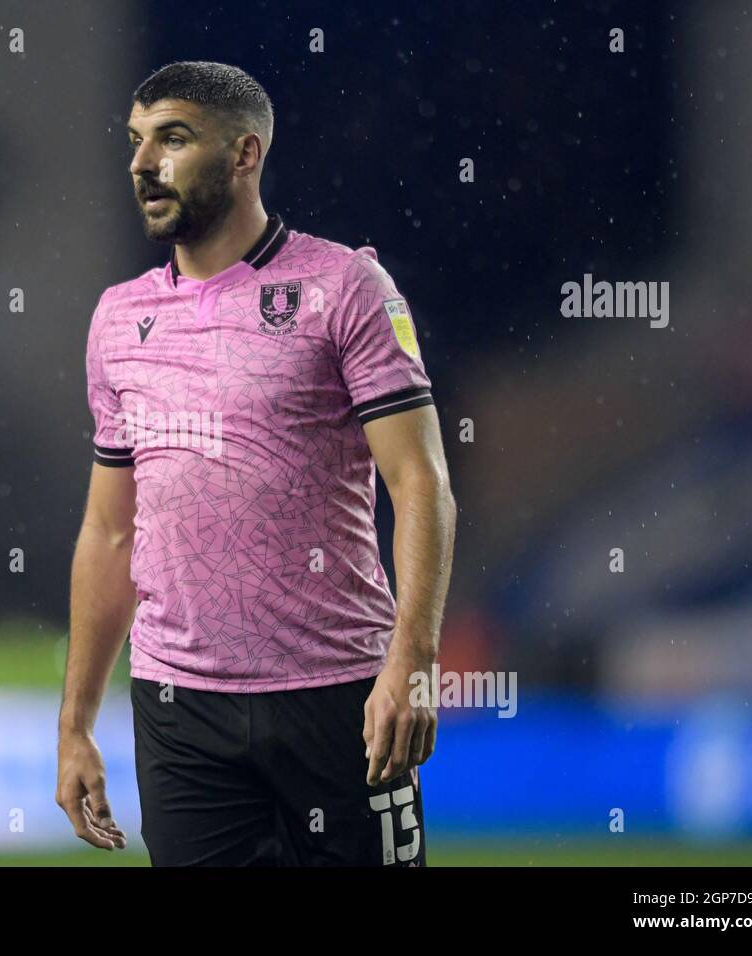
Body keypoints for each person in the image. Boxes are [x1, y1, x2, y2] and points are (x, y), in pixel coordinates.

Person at [56, 61, 456, 866]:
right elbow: (108, 532)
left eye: (172, 138)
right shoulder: (117, 318)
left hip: (338, 695)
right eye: (136, 142)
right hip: (180, 712)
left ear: (245, 155)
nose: (143, 163)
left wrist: (411, 661)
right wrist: (75, 727)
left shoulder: (344, 287)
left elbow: (421, 483)